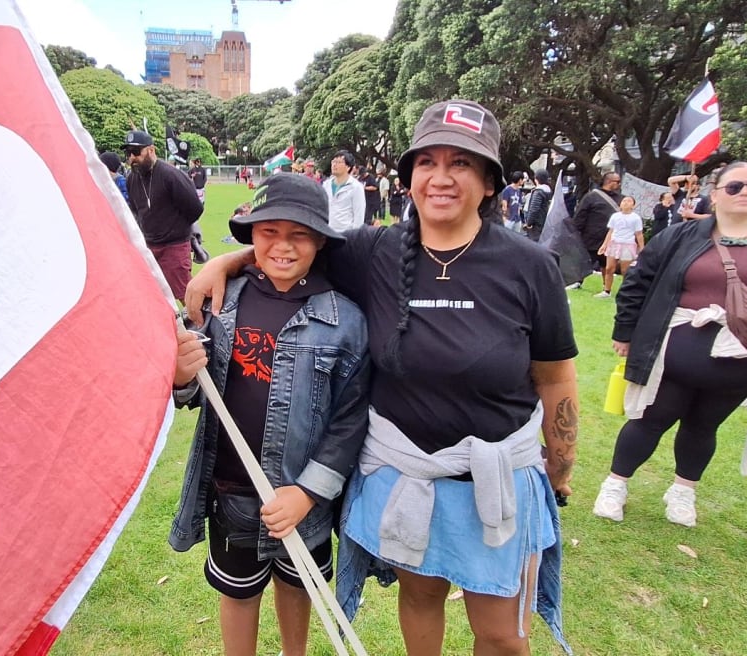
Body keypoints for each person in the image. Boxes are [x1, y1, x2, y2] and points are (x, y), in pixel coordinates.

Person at [183, 99, 578, 655]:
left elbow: (556, 378)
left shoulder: (531, 264)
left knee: (504, 638)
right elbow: (289, 250)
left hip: (499, 481)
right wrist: (224, 262)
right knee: (419, 605)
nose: (441, 178)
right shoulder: (373, 250)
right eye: (428, 162)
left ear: (490, 182)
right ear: (410, 176)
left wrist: (559, 468)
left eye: (461, 164)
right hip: (409, 476)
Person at [169, 173, 370, 656]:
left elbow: (350, 420)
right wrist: (179, 376)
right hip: (231, 492)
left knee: (298, 586)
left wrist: (307, 492)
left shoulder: (346, 320)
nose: (283, 245)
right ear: (251, 234)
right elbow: (194, 394)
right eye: (269, 231)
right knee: (237, 593)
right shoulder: (222, 302)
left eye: (299, 234)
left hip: (303, 500)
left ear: (320, 241)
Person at [593, 161, 747, 527]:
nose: (746, 194)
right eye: (735, 187)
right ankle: (616, 485)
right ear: (715, 194)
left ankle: (683, 491)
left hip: (745, 361)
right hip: (673, 356)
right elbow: (638, 282)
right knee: (649, 420)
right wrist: (625, 333)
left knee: (704, 427)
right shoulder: (680, 236)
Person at [123, 130, 204, 302]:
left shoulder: (170, 175)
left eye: (136, 152)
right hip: (149, 247)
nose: (132, 158)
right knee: (153, 296)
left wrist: (175, 229)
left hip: (174, 246)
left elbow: (195, 208)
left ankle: (199, 326)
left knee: (185, 295)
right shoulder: (131, 178)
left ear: (151, 150)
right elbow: (136, 210)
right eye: (128, 153)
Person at [572, 171, 623, 276]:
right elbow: (580, 216)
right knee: (584, 262)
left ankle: (606, 288)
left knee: (608, 266)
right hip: (591, 239)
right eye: (617, 182)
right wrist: (576, 232)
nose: (619, 184)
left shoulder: (622, 199)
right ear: (609, 181)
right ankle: (577, 281)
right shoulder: (591, 197)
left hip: (612, 239)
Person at [594, 195, 644, 298]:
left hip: (628, 244)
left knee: (625, 270)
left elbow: (638, 234)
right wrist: (604, 245)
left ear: (633, 206)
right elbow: (611, 231)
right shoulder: (615, 216)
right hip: (614, 243)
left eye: (629, 201)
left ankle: (625, 291)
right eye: (624, 201)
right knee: (609, 268)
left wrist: (642, 247)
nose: (626, 203)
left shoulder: (635, 218)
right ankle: (606, 290)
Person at [323, 150, 366, 232]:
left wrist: (354, 237)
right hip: (328, 232)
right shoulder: (326, 185)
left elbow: (359, 216)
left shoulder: (356, 187)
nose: (334, 165)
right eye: (333, 161)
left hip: (346, 235)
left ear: (348, 167)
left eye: (339, 162)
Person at [523, 168, 552, 242]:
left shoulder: (538, 192)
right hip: (544, 221)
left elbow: (534, 208)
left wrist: (529, 222)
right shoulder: (548, 191)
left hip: (536, 223)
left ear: (536, 179)